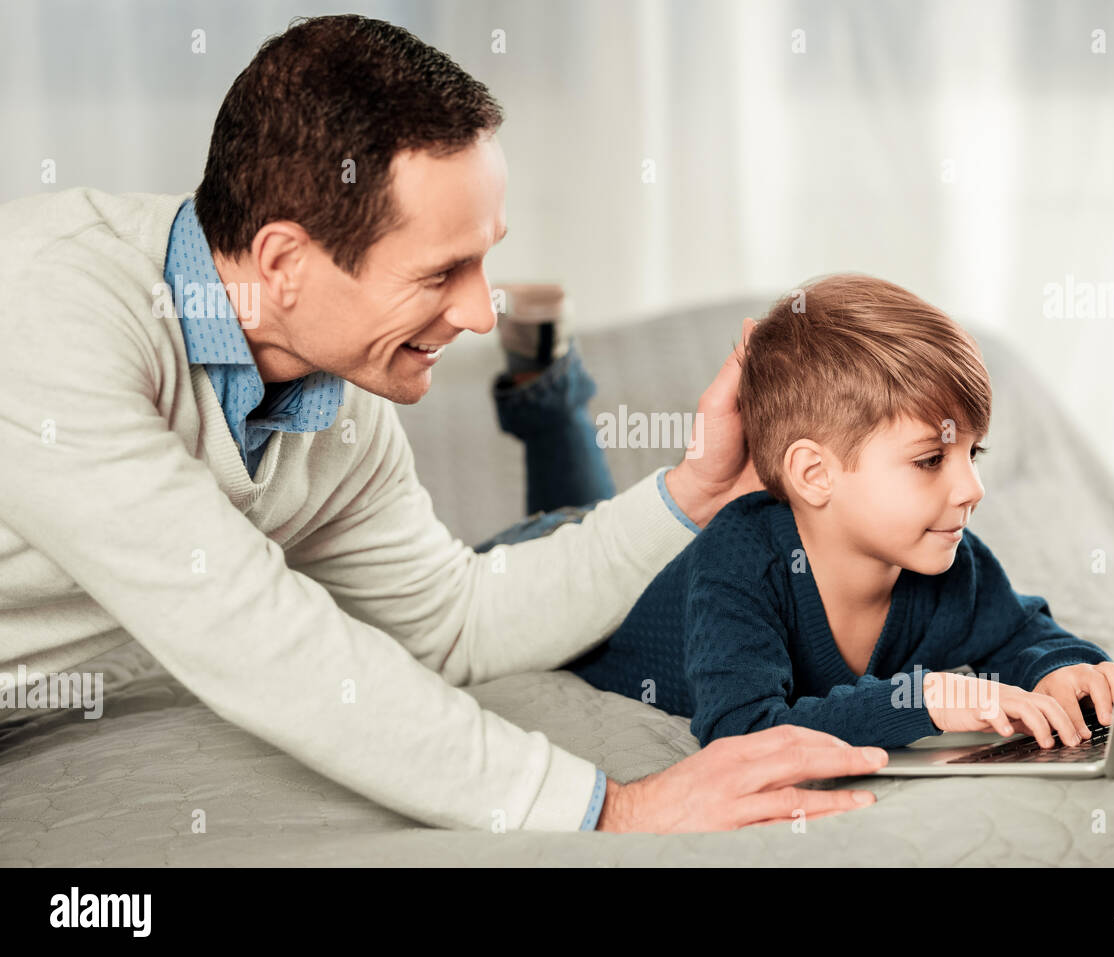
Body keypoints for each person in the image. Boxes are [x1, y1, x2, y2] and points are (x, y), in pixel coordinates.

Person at [0, 14, 892, 834]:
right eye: (441, 273)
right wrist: (610, 808)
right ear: (284, 263)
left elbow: (457, 622)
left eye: (485, 258)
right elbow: (250, 635)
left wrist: (696, 489)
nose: (477, 311)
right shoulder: (48, 314)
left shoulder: (336, 404)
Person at [567, 273, 1114, 751]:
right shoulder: (740, 562)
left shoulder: (946, 558)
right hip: (583, 588)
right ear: (815, 474)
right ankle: (550, 397)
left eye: (973, 452)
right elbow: (741, 730)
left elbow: (1020, 633)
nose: (972, 488)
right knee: (566, 521)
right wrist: (924, 700)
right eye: (931, 459)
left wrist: (1061, 670)